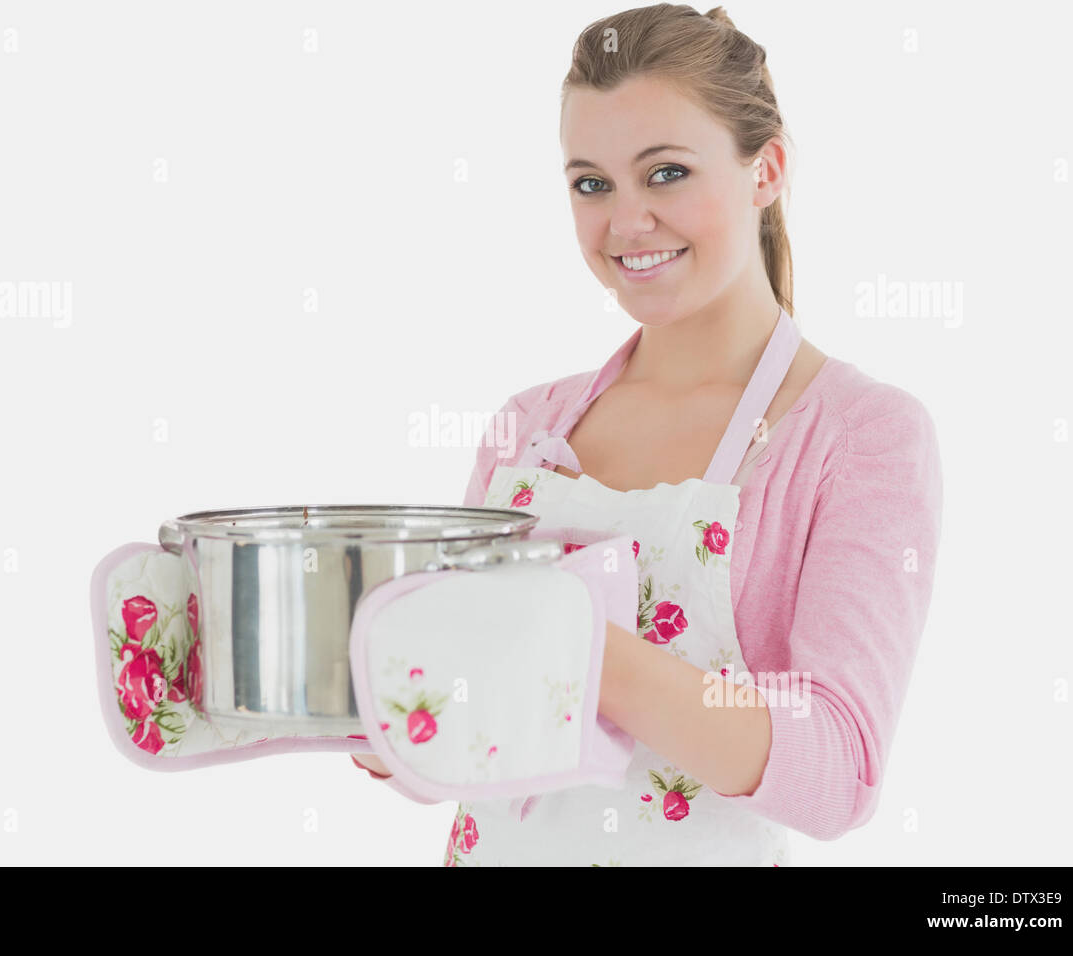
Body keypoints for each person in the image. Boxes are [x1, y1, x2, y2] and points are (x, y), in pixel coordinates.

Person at [354, 2, 943, 866]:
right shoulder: (530, 426)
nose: (626, 223)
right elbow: (471, 738)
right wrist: (382, 708)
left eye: (665, 173)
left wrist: (576, 649)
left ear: (766, 169)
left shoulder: (859, 436)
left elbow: (839, 770)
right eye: (592, 183)